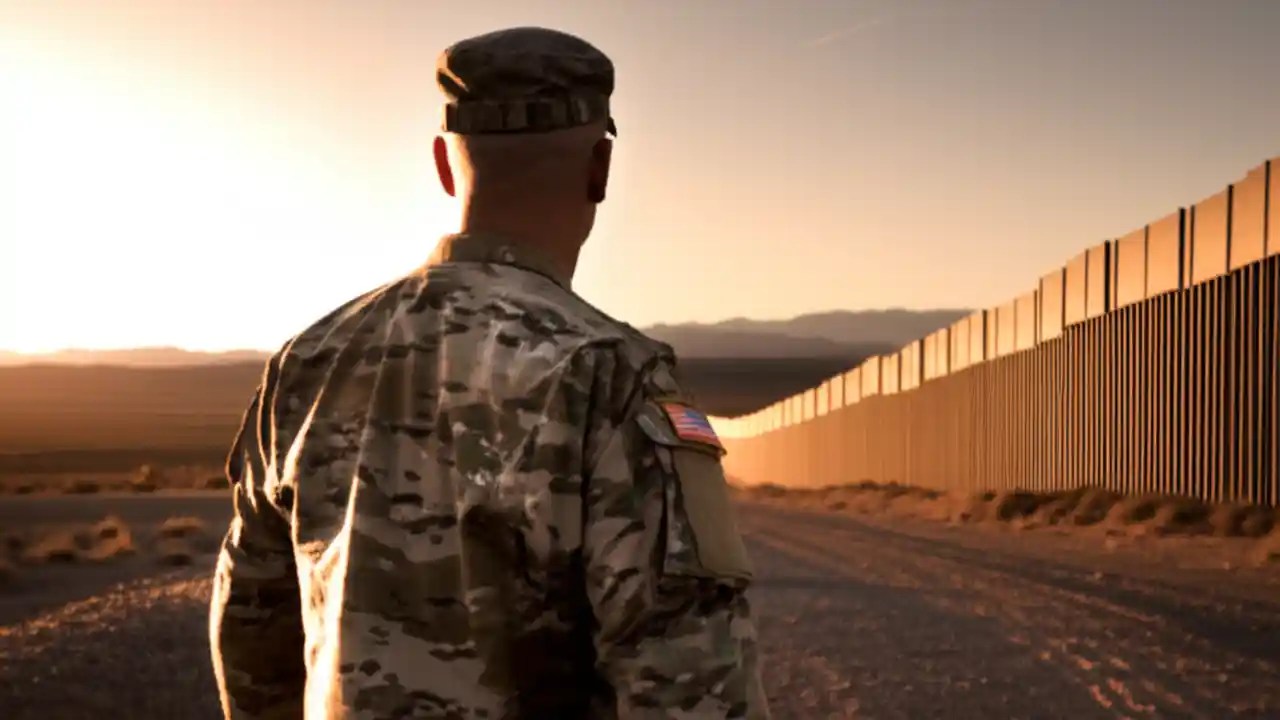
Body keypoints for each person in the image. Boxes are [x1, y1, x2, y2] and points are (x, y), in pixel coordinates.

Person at [209, 25, 769, 720]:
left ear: (445, 166)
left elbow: (251, 633)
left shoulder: (306, 364)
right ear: (600, 168)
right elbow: (690, 686)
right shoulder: (610, 377)